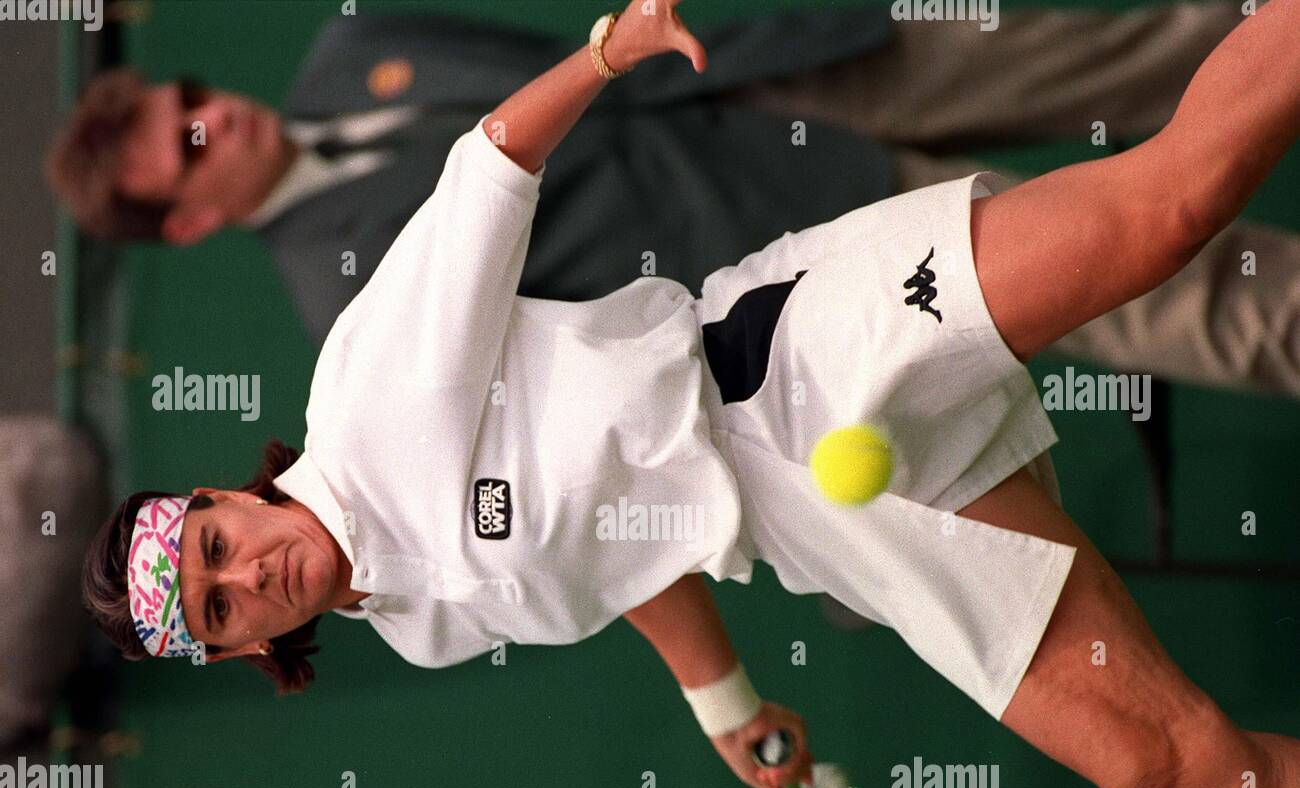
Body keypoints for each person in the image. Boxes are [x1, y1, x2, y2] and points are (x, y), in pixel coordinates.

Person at [82, 0, 1300, 788]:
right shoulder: (417, 628)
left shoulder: (362, 387)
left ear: (218, 499)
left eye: (217, 546)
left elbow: (489, 162)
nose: (246, 575)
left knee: (1171, 205)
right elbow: (617, 552)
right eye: (221, 608)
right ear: (245, 648)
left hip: (798, 347)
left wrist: (605, 51)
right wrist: (725, 704)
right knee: (1174, 782)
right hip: (819, 524)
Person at [46, 3, 1299, 396]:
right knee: (1157, 293)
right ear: (192, 220)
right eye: (191, 148)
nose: (217, 119)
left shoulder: (352, 40)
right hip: (812, 236)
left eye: (191, 99)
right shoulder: (352, 308)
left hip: (789, 58)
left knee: (1147, 42)